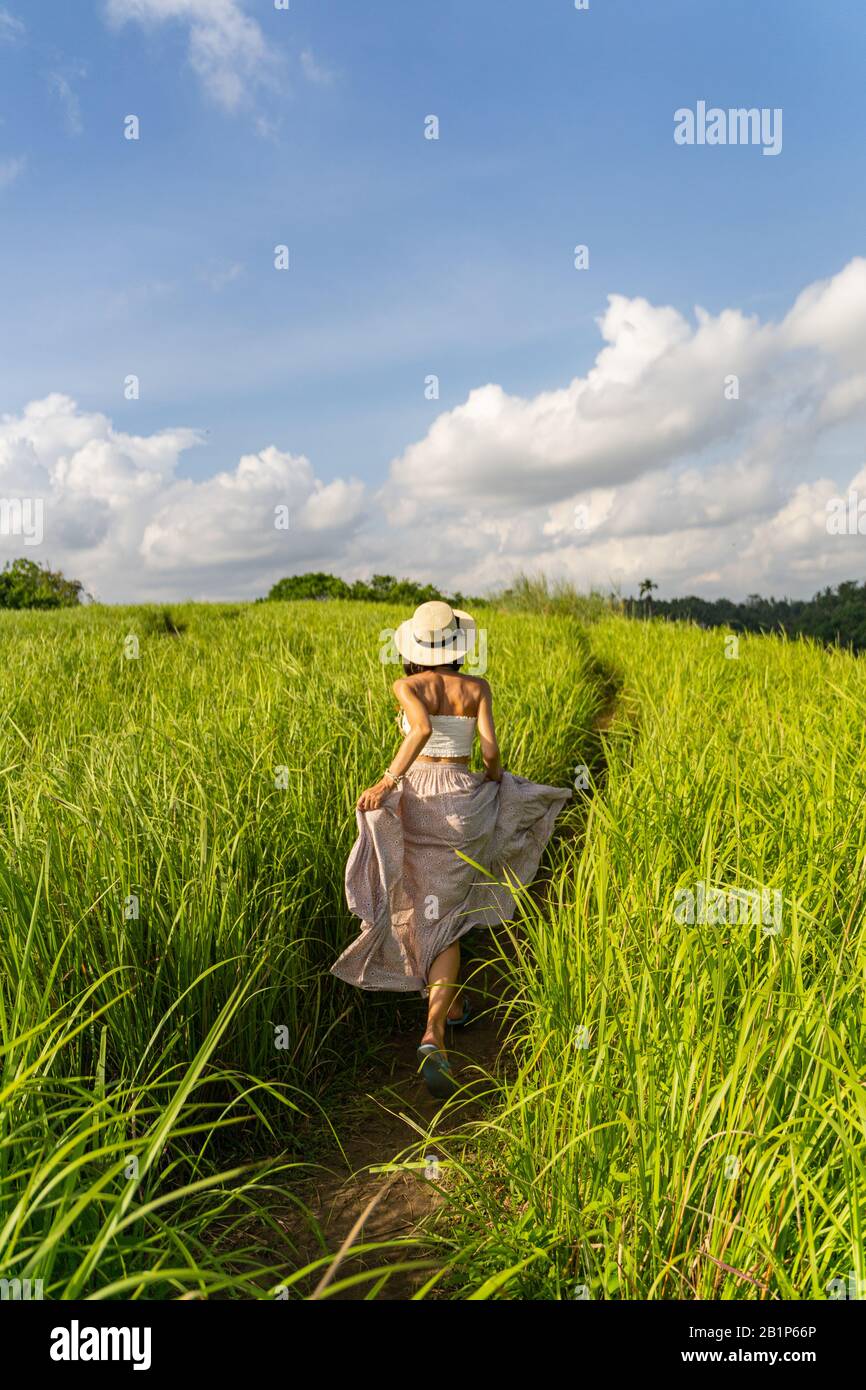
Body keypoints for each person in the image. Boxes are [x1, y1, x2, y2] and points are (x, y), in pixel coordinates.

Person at [330, 601, 571, 1098]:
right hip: (464, 804)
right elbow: (489, 753)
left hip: (419, 803)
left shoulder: (407, 687)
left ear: (415, 647)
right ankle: (443, 1020)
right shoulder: (475, 687)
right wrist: (497, 785)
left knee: (421, 908)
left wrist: (385, 782)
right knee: (451, 917)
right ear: (457, 646)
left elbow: (419, 730)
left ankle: (437, 1021)